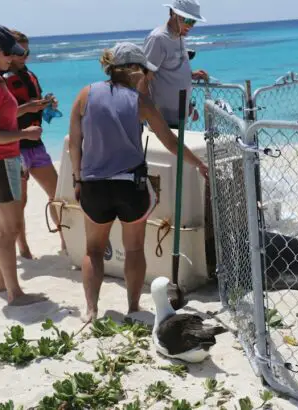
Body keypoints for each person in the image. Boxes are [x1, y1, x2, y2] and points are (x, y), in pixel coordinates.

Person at [68, 42, 208, 322]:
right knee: (133, 249)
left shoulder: (85, 94)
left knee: (93, 251)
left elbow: (75, 143)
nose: (149, 75)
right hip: (130, 186)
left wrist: (77, 179)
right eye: (145, 70)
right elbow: (170, 143)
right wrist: (200, 164)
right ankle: (133, 307)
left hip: (94, 185)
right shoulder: (141, 102)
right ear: (133, 70)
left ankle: (91, 310)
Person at [0, 24, 48, 306]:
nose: (12, 58)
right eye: (7, 53)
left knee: (3, 226)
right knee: (10, 228)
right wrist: (25, 134)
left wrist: (28, 109)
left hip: (0, 160)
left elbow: (4, 113)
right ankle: (15, 293)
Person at [3, 29, 66, 259]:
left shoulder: (30, 76)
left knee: (57, 194)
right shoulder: (1, 80)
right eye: (20, 52)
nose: (25, 56)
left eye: (27, 52)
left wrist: (46, 104)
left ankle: (66, 240)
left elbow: (32, 105)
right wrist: (28, 107)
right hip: (14, 147)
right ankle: (24, 248)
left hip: (36, 145)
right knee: (20, 202)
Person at [142, 0, 209, 128]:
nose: (190, 26)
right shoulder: (158, 38)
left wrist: (190, 75)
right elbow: (144, 79)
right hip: (162, 122)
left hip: (180, 118)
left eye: (193, 21)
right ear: (173, 13)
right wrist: (147, 116)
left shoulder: (180, 36)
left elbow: (170, 68)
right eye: (188, 20)